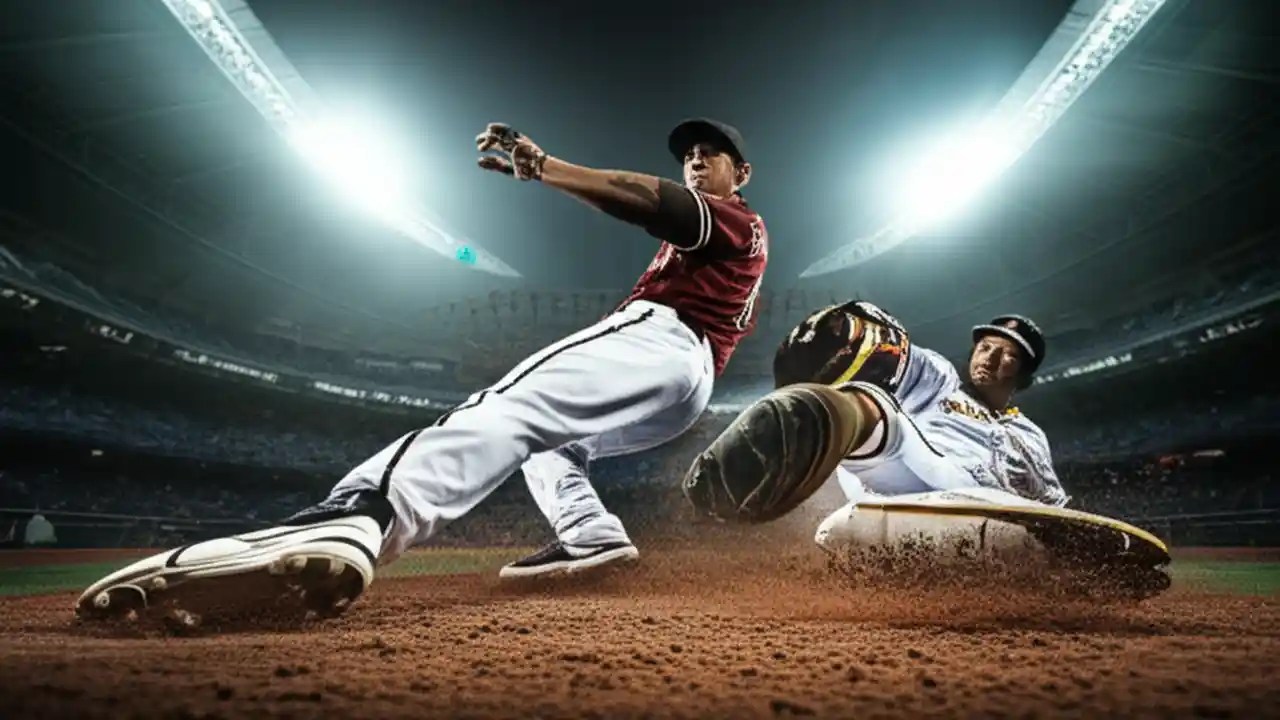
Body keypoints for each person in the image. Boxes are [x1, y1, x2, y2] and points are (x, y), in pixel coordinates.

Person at [76, 118, 768, 622]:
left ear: (742, 175)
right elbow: (658, 207)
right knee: (549, 443)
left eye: (713, 156)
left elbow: (652, 201)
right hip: (686, 380)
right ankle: (591, 536)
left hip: (660, 339)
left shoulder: (737, 219)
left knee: (507, 407)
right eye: (690, 155)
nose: (696, 162)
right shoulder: (727, 238)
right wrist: (552, 176)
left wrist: (549, 166)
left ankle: (363, 514)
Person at [683, 301, 1067, 536]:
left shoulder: (1029, 436)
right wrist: (842, 331)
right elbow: (896, 353)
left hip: (986, 508)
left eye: (1008, 356)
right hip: (903, 483)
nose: (989, 358)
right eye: (984, 347)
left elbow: (1055, 508)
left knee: (985, 495)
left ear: (1024, 375)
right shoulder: (941, 381)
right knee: (881, 414)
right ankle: (809, 418)